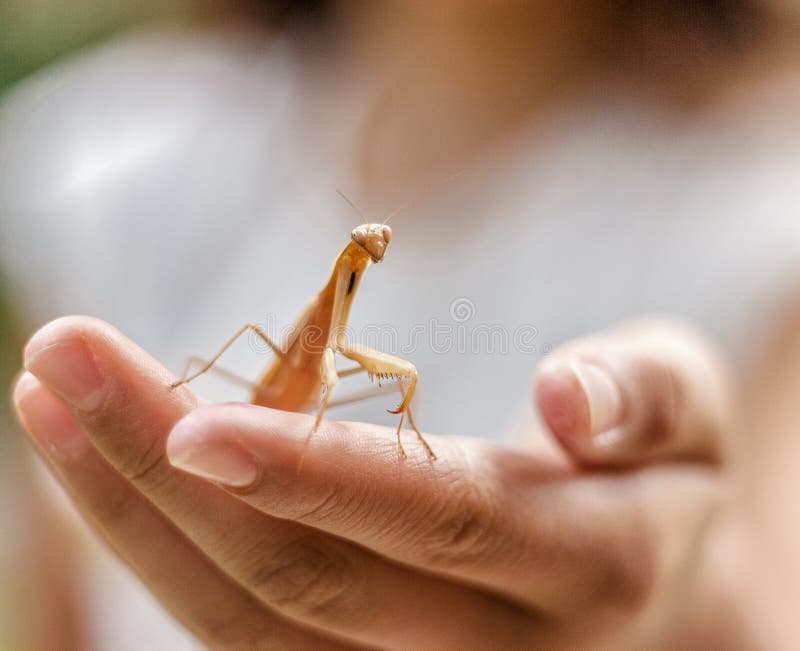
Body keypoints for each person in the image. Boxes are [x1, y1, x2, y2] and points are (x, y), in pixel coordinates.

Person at [3, 0, 800, 647]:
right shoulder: (136, 165)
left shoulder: (746, 208)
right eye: (369, 241)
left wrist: (704, 621)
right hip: (282, 377)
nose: (377, 246)